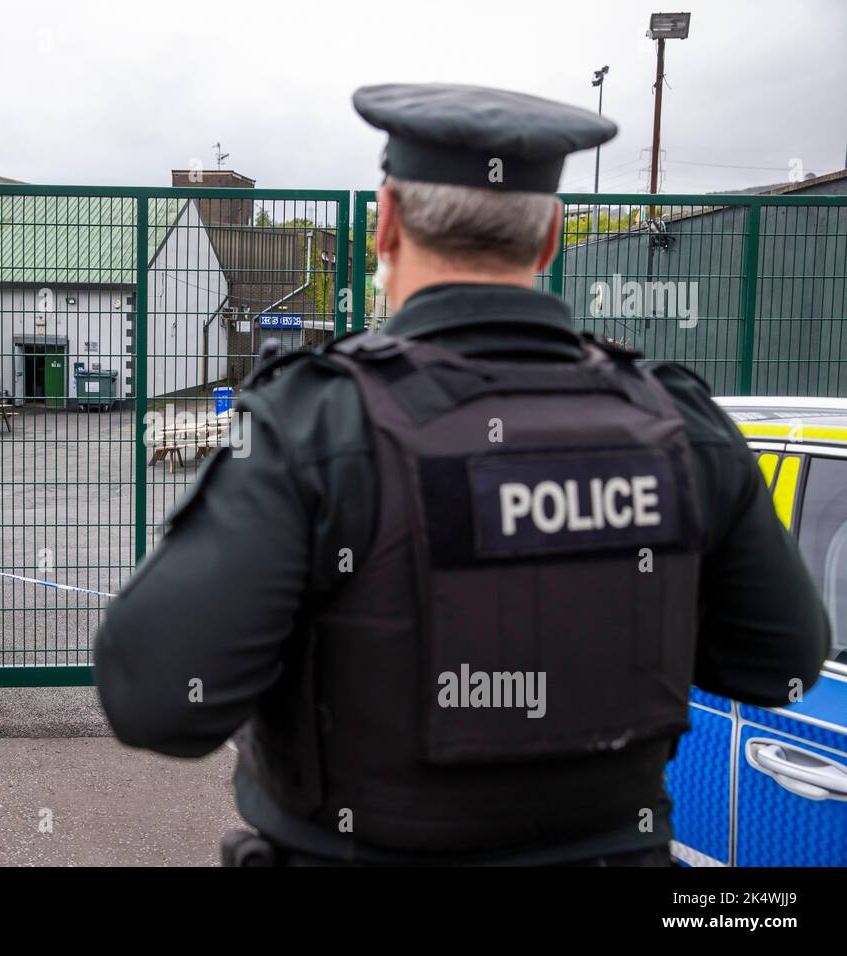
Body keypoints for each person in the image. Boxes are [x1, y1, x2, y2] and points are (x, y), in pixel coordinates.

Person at [93, 83, 830, 866]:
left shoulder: (314, 425)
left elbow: (156, 701)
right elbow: (778, 662)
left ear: (385, 224)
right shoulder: (678, 420)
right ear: (548, 238)